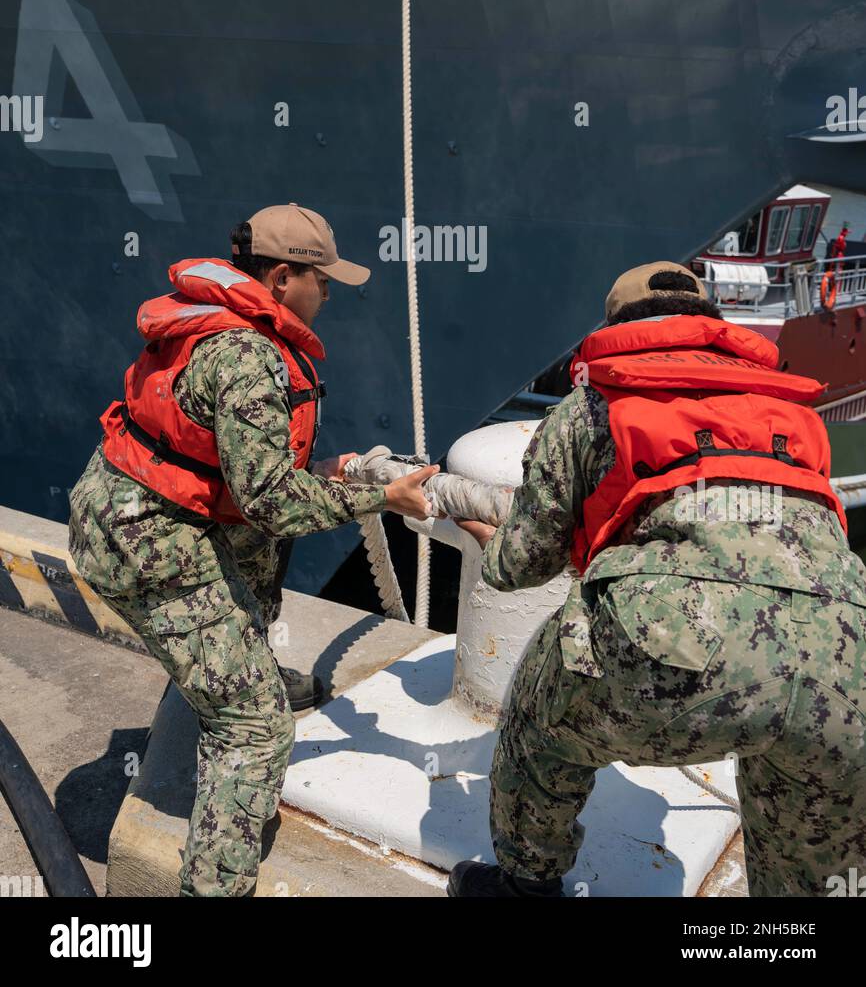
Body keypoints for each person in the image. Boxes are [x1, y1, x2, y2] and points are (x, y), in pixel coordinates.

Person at [448, 261, 866, 898]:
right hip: (847, 661)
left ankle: (525, 884)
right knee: (811, 840)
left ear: (617, 326)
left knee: (540, 705)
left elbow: (520, 565)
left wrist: (496, 541)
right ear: (715, 326)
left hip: (674, 654)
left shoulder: (592, 405)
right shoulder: (792, 413)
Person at [68, 203, 437, 897]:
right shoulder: (247, 357)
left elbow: (240, 475)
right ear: (279, 278)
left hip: (132, 510)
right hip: (148, 543)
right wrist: (383, 498)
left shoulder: (222, 323)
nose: (328, 292)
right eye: (320, 279)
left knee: (257, 546)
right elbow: (272, 501)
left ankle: (249, 656)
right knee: (255, 725)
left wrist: (325, 474)